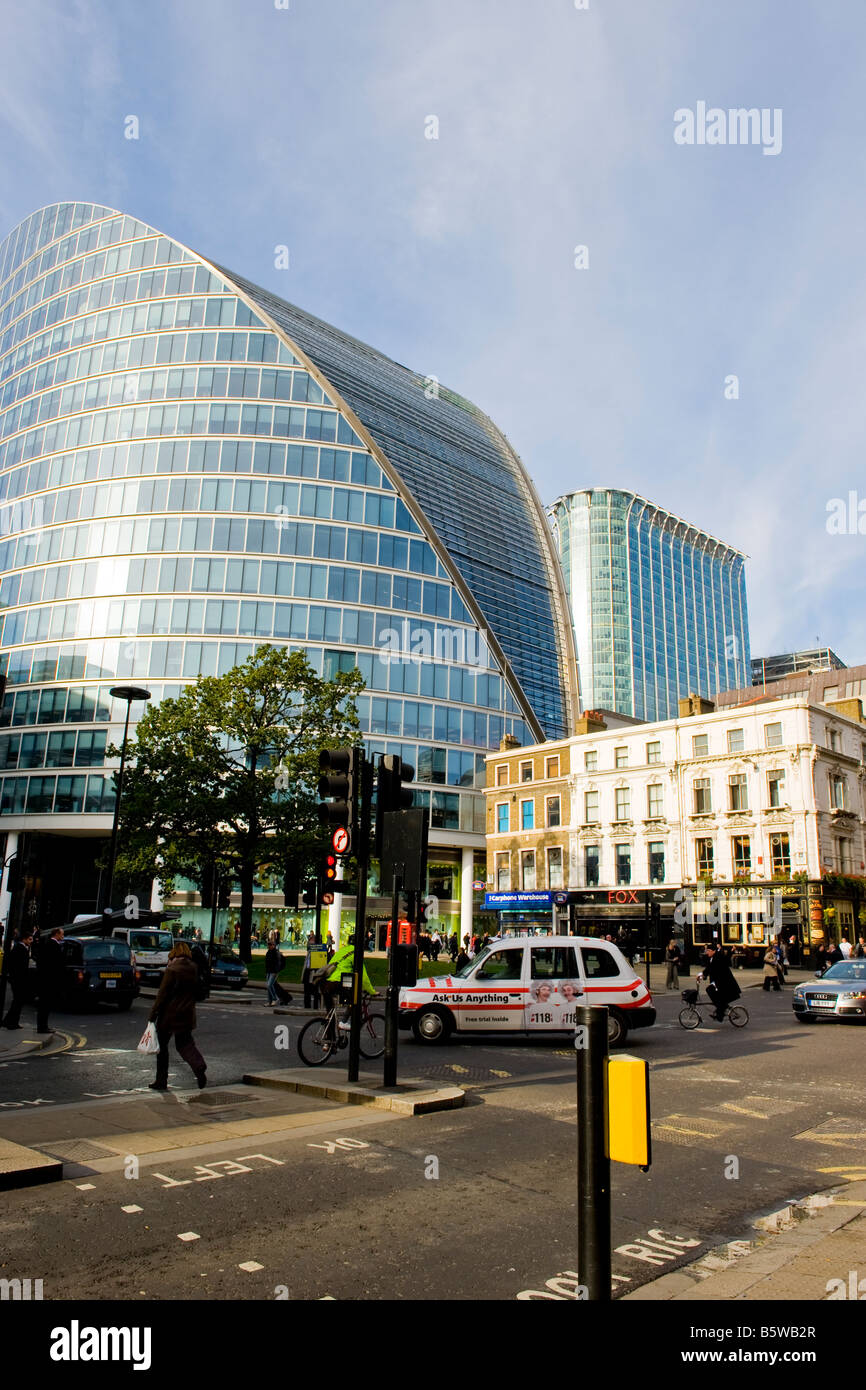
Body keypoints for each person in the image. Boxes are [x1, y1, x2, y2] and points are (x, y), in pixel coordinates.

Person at [147, 941, 207, 1090]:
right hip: (187, 1014)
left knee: (162, 1047)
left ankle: (161, 1080)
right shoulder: (193, 968)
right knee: (185, 1044)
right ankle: (198, 1066)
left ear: (174, 953)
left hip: (169, 1015)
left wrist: (152, 1015)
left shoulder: (172, 970)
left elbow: (162, 995)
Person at [321, 934, 376, 1033]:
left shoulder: (342, 951)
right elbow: (363, 976)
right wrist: (371, 991)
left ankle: (328, 1043)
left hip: (326, 982)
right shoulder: (356, 953)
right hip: (338, 982)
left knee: (330, 1014)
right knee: (354, 999)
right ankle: (344, 1021)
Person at [699, 942, 741, 1021]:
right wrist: (702, 975)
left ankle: (720, 1012)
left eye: (708, 950)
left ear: (713, 951)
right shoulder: (712, 957)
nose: (707, 952)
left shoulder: (717, 957)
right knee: (714, 993)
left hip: (725, 983)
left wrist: (702, 975)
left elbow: (711, 968)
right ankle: (721, 1010)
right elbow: (709, 969)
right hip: (719, 982)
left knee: (712, 992)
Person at [2, 928, 34, 1029]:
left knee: (18, 1001)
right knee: (18, 1001)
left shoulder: (23, 948)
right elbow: (16, 966)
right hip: (18, 980)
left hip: (18, 979)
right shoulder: (19, 949)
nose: (31, 941)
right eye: (29, 939)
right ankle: (11, 1022)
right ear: (24, 939)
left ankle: (10, 1021)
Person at [36, 926, 65, 1034]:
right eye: (62, 934)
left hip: (46, 980)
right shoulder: (53, 945)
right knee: (45, 1005)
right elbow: (54, 964)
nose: (63, 936)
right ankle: (42, 1027)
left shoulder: (49, 944)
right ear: (56, 934)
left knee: (45, 1005)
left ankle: (43, 1026)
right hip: (48, 981)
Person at [265, 932, 283, 1006]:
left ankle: (275, 998)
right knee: (269, 986)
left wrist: (276, 971)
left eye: (270, 945)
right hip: (269, 971)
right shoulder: (268, 952)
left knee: (269, 985)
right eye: (268, 945)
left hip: (274, 971)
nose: (269, 946)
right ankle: (270, 1001)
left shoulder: (276, 953)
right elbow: (266, 963)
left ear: (274, 945)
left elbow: (278, 963)